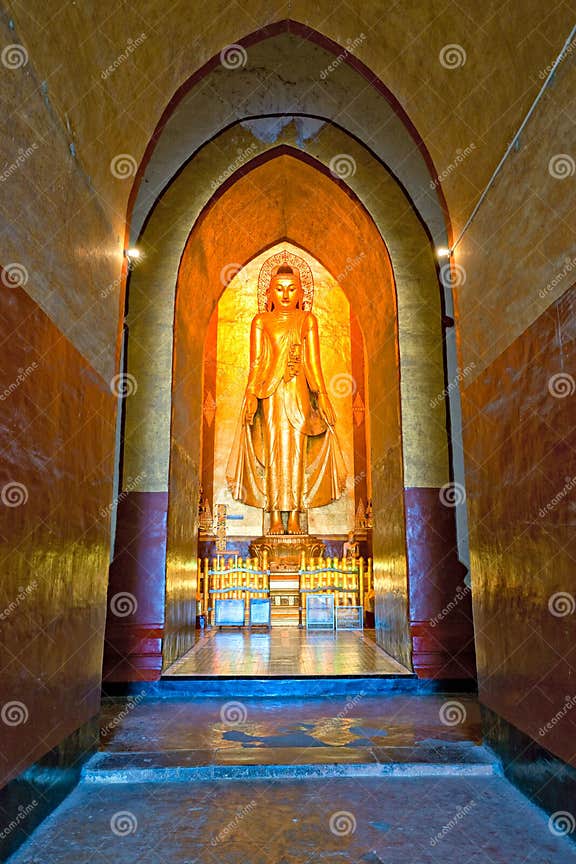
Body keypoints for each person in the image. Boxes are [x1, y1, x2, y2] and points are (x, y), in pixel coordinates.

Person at [227, 263, 347, 534]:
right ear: (269, 293)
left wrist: (323, 395)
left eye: (291, 289)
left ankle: (293, 515)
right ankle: (274, 519)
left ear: (300, 293)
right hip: (270, 391)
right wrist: (250, 394)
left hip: (299, 390)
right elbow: (256, 363)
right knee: (273, 450)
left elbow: (314, 363)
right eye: (279, 289)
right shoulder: (261, 321)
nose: (285, 295)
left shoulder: (307, 320)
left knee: (295, 452)